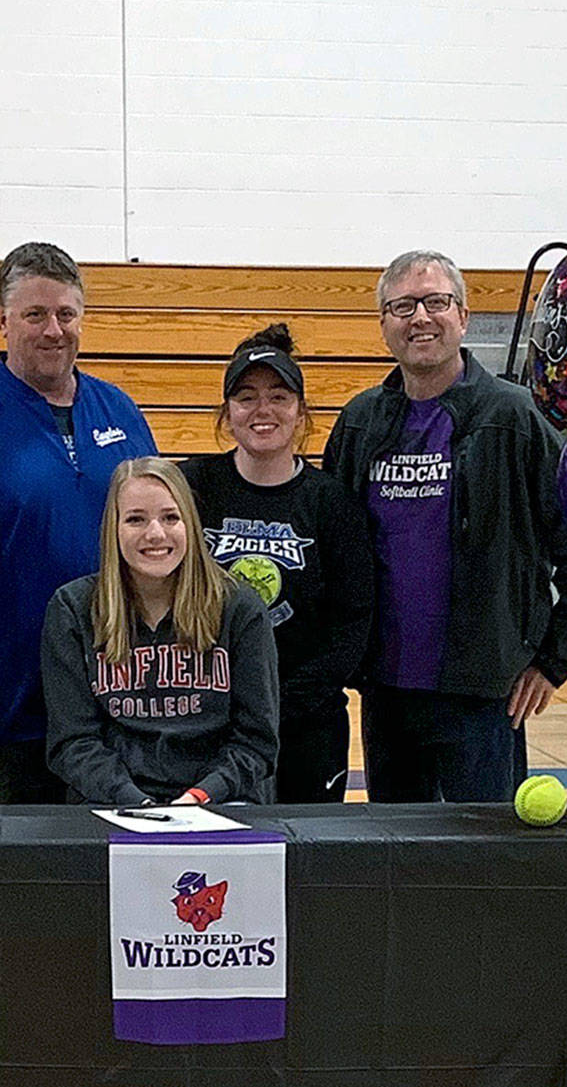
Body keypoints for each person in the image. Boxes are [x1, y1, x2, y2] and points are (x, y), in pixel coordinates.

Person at [322, 250, 567, 803]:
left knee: (483, 869)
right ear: (384, 324)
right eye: (403, 306)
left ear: (462, 316)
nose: (420, 318)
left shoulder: (514, 418)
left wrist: (553, 661)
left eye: (436, 302)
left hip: (484, 696)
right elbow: (331, 551)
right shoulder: (360, 422)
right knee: (399, 865)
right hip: (387, 694)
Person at [0, 242, 156, 803]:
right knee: (8, 880)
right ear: (1, 320)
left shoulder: (119, 410)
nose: (53, 330)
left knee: (107, 876)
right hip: (3, 706)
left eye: (66, 315)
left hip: (117, 701)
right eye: (35, 315)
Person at [181, 324, 373, 802]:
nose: (262, 410)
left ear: (300, 411)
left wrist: (274, 706)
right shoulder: (191, 486)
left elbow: (353, 623)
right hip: (208, 724)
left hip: (306, 726)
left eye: (279, 396)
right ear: (227, 413)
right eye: (246, 397)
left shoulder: (332, 502)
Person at [42, 457, 280, 805]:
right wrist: (136, 803)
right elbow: (72, 742)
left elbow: (257, 742)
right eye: (136, 519)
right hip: (113, 802)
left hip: (221, 798)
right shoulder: (73, 608)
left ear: (191, 525)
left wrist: (200, 796)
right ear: (114, 528)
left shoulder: (240, 608)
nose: (155, 534)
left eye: (171, 517)